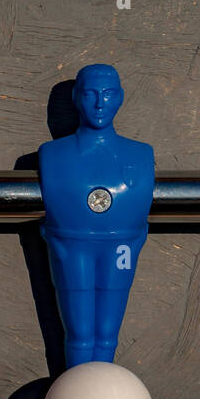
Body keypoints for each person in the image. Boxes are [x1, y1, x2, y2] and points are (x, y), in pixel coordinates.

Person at [38, 64, 155, 368]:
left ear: (120, 98)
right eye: (90, 94)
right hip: (71, 247)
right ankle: (75, 398)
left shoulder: (140, 155)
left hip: (121, 247)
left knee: (106, 333)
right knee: (79, 333)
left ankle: (99, 397)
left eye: (108, 94)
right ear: (77, 98)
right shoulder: (53, 154)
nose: (100, 103)